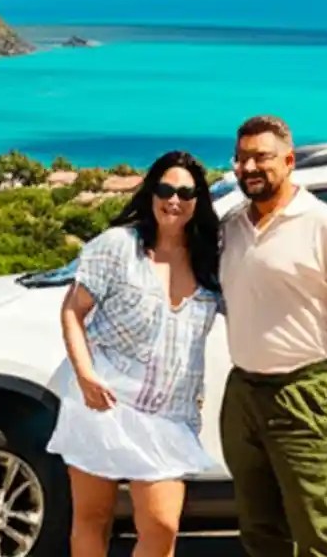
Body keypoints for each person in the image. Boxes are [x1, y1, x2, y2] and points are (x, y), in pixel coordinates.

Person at [46, 150, 223, 557]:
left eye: (185, 192)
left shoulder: (209, 261)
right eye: (165, 189)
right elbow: (73, 311)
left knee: (162, 526)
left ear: (198, 201)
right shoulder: (117, 247)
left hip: (168, 413)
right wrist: (86, 376)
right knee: (93, 518)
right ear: (151, 192)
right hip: (101, 402)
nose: (174, 199)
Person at [217, 115, 327, 557]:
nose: (250, 167)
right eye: (242, 158)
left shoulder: (323, 224)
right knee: (257, 527)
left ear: (289, 161)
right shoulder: (231, 226)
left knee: (314, 528)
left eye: (262, 157)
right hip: (243, 392)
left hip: (300, 391)